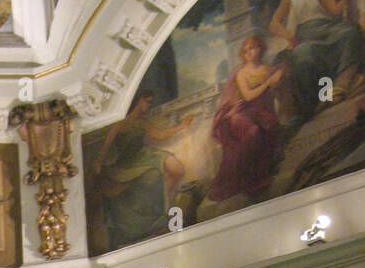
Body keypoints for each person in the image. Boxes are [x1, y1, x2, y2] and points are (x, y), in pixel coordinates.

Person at [90, 93, 195, 249]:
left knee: (176, 168)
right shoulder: (119, 125)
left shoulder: (142, 123)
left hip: (146, 155)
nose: (148, 106)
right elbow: (106, 147)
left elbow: (160, 135)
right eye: (147, 102)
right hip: (128, 162)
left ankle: (165, 206)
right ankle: (153, 214)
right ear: (137, 101)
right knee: (152, 176)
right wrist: (98, 162)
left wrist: (182, 126)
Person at [268, 0, 365, 117]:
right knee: (303, 54)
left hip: (327, 29)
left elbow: (334, 10)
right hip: (307, 34)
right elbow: (274, 24)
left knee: (351, 32)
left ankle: (341, 85)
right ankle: (320, 99)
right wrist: (289, 37)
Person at [208, 35, 284, 202]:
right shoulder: (241, 73)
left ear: (260, 49)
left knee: (269, 128)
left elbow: (279, 87)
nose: (250, 53)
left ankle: (256, 176)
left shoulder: (268, 69)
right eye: (246, 50)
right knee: (253, 131)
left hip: (263, 112)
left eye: (253, 48)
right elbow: (248, 96)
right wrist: (267, 84)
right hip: (243, 112)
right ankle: (245, 180)